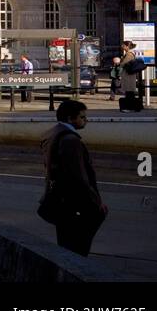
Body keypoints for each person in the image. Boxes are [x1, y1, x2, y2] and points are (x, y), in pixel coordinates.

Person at [39, 100, 108, 257]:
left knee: (65, 240)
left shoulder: (55, 133)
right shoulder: (71, 141)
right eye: (82, 117)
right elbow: (79, 176)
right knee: (78, 244)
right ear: (70, 119)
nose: (86, 120)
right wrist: (96, 201)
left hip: (60, 198)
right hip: (72, 201)